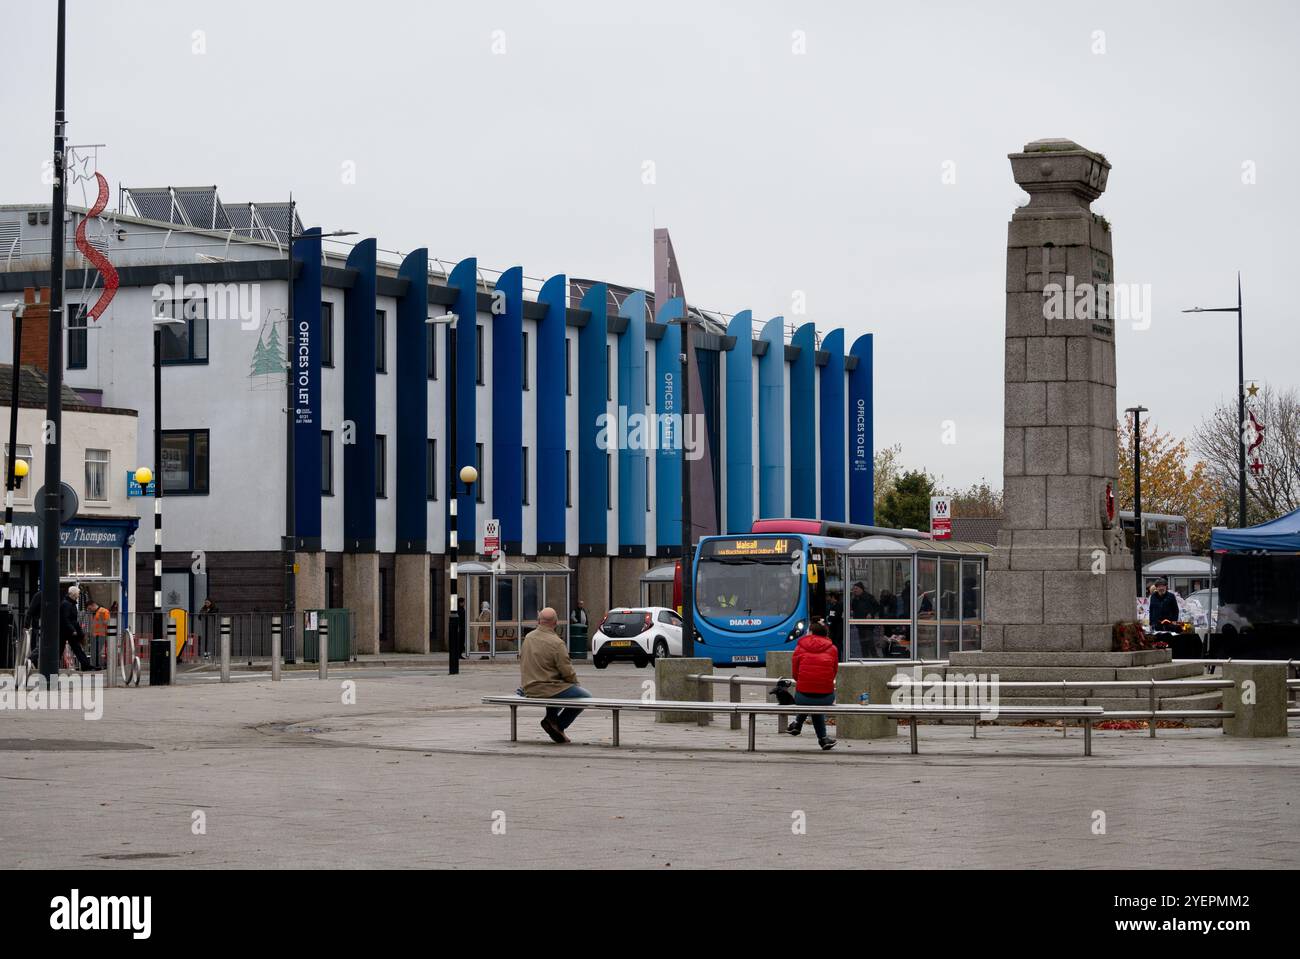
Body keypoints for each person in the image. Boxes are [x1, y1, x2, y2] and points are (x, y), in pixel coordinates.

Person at [520, 606, 590, 743]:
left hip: (528, 687)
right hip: (547, 688)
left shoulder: (528, 638)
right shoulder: (557, 643)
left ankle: (551, 719)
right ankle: (558, 725)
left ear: (539, 621)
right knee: (585, 696)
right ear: (555, 622)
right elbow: (567, 670)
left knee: (556, 685)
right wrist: (575, 683)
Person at [787, 621, 838, 750]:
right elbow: (833, 672)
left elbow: (795, 674)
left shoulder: (800, 647)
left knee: (809, 699)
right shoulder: (833, 649)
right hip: (826, 697)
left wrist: (806, 681)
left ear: (811, 632)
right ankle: (822, 739)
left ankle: (797, 724)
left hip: (802, 696)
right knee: (817, 703)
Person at [60, 585, 95, 672]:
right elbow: (66, 619)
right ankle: (86, 665)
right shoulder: (67, 604)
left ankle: (86, 665)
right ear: (74, 594)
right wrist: (73, 630)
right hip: (67, 631)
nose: (79, 596)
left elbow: (70, 619)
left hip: (69, 631)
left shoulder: (69, 604)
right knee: (63, 648)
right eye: (78, 594)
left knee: (76, 648)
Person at [87, 599, 110, 669]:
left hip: (101, 634)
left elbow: (107, 622)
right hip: (95, 635)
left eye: (90, 608)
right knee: (95, 651)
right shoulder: (95, 612)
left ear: (93, 605)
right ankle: (97, 665)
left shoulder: (103, 611)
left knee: (97, 651)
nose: (90, 610)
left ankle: (99, 665)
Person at [824, 593, 844, 659]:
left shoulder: (839, 606)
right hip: (834, 627)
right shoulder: (833, 606)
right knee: (834, 642)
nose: (830, 599)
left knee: (837, 642)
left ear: (835, 598)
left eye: (831, 598)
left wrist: (829, 618)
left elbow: (836, 616)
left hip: (838, 627)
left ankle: (839, 657)